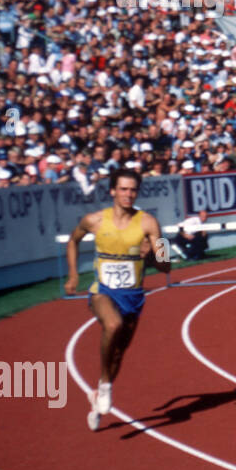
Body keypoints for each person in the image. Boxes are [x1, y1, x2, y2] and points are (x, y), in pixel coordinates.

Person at [64, 168, 172, 431]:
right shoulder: (95, 220)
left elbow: (166, 267)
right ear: (112, 191)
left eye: (133, 189)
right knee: (113, 325)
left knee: (119, 353)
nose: (128, 194)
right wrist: (73, 274)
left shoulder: (148, 223)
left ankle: (97, 395)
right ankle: (104, 384)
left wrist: (151, 255)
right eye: (123, 189)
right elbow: (72, 241)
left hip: (133, 296)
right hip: (102, 290)